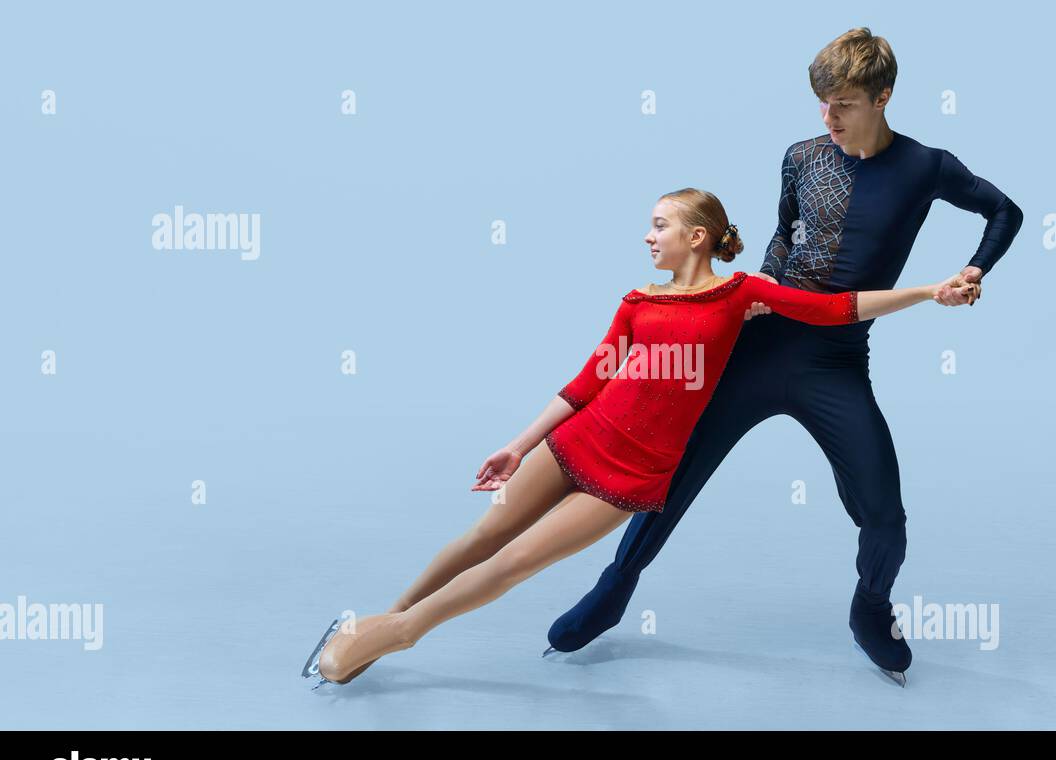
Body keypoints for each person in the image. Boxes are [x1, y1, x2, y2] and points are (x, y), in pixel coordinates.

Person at [300, 187, 975, 688]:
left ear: (699, 236)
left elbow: (837, 308)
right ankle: (381, 621)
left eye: (660, 225)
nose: (649, 237)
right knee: (478, 538)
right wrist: (517, 443)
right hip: (576, 441)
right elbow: (587, 380)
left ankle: (398, 633)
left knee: (512, 564)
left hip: (630, 476)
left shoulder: (742, 295)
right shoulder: (637, 300)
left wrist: (927, 292)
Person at [545, 27, 1023, 687]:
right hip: (758, 348)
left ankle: (870, 608)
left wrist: (974, 270)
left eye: (844, 104)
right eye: (821, 101)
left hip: (835, 362)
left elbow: (1005, 210)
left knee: (884, 513)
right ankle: (614, 589)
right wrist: (757, 293)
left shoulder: (926, 167)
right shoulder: (801, 157)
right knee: (675, 475)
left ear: (883, 97)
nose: (828, 116)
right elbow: (782, 237)